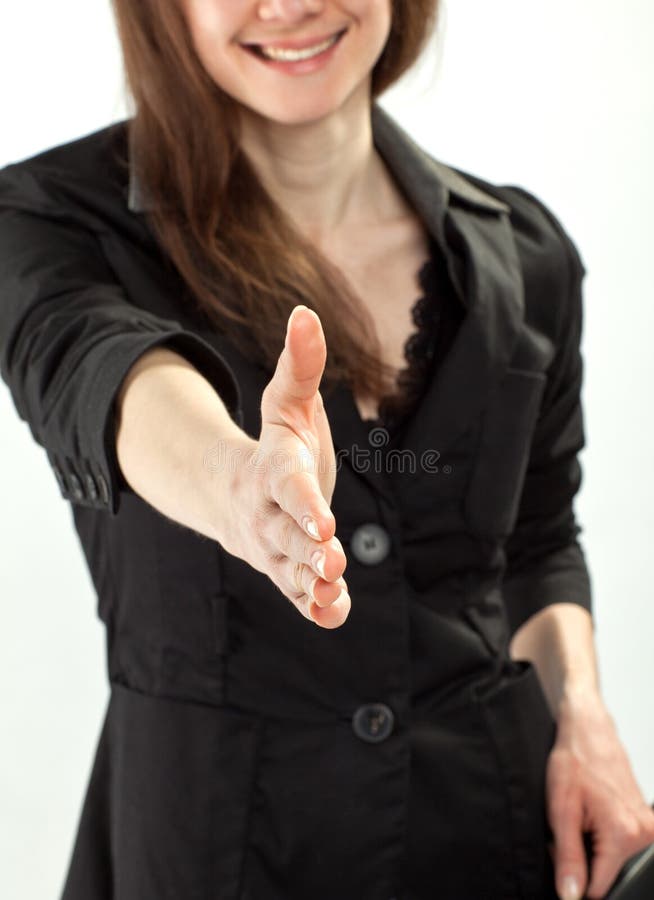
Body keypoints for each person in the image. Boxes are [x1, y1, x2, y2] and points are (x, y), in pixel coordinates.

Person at [1, 0, 653, 898]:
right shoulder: (49, 220)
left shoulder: (524, 255)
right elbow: (103, 371)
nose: (291, 4)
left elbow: (537, 544)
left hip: (490, 840)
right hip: (212, 853)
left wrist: (584, 716)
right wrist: (237, 485)